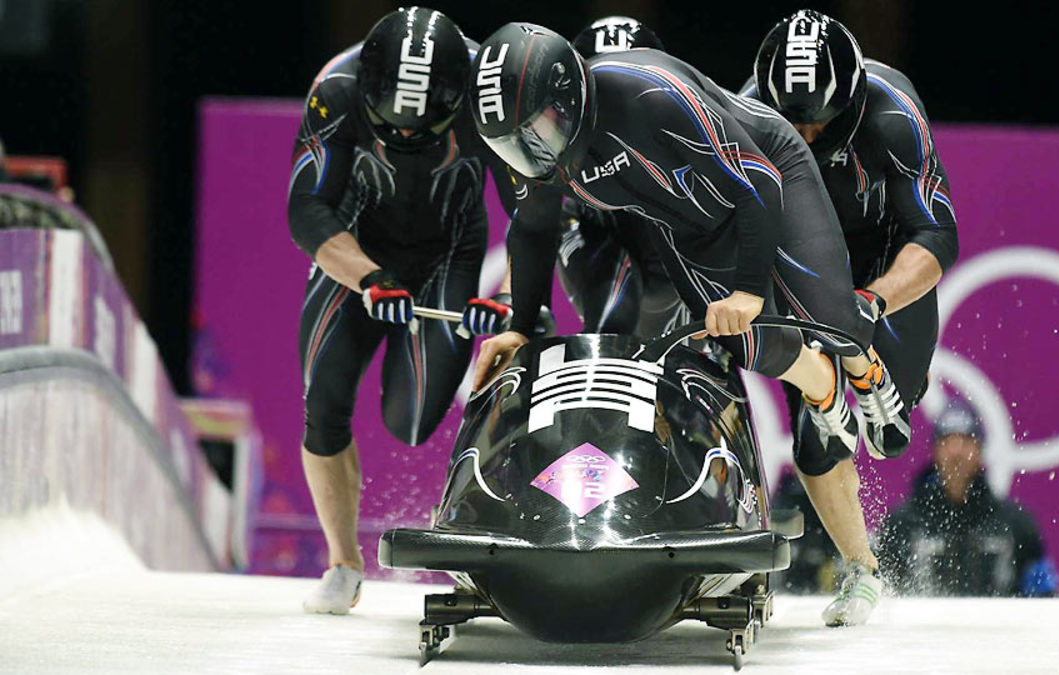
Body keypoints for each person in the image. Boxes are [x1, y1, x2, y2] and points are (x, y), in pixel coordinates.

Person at [467, 26, 913, 521]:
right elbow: (531, 231)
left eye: (538, 134)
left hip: (769, 172)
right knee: (748, 345)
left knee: (830, 317)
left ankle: (864, 369)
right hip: (685, 225)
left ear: (570, 96)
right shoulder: (539, 151)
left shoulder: (650, 97)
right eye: (514, 147)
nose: (534, 159)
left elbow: (757, 180)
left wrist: (747, 290)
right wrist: (518, 327)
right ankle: (824, 389)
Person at [286, 7, 515, 614]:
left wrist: (512, 298)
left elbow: (535, 214)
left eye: (427, 127)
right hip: (359, 253)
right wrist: (368, 276)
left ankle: (488, 526)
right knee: (325, 398)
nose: (408, 138)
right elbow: (307, 210)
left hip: (448, 256)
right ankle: (342, 563)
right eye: (391, 126)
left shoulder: (490, 89)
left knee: (409, 421)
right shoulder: (336, 88)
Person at [743, 10, 960, 625]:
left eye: (817, 123)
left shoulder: (893, 115)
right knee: (815, 440)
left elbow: (937, 234)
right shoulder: (746, 111)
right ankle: (862, 569)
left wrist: (877, 298)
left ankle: (865, 370)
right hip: (805, 260)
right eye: (792, 122)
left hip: (883, 254)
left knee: (891, 430)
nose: (804, 138)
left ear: (851, 100)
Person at [556, 16, 689, 337]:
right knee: (611, 314)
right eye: (599, 91)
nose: (613, 109)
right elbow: (529, 221)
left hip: (671, 255)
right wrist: (515, 304)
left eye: (625, 87)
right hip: (592, 233)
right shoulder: (552, 132)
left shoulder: (689, 121)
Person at [877, 402, 1059, 596]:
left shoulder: (1016, 524)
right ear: (935, 450)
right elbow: (883, 591)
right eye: (947, 441)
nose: (956, 451)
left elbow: (1046, 596)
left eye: (966, 441)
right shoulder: (902, 523)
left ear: (980, 450)